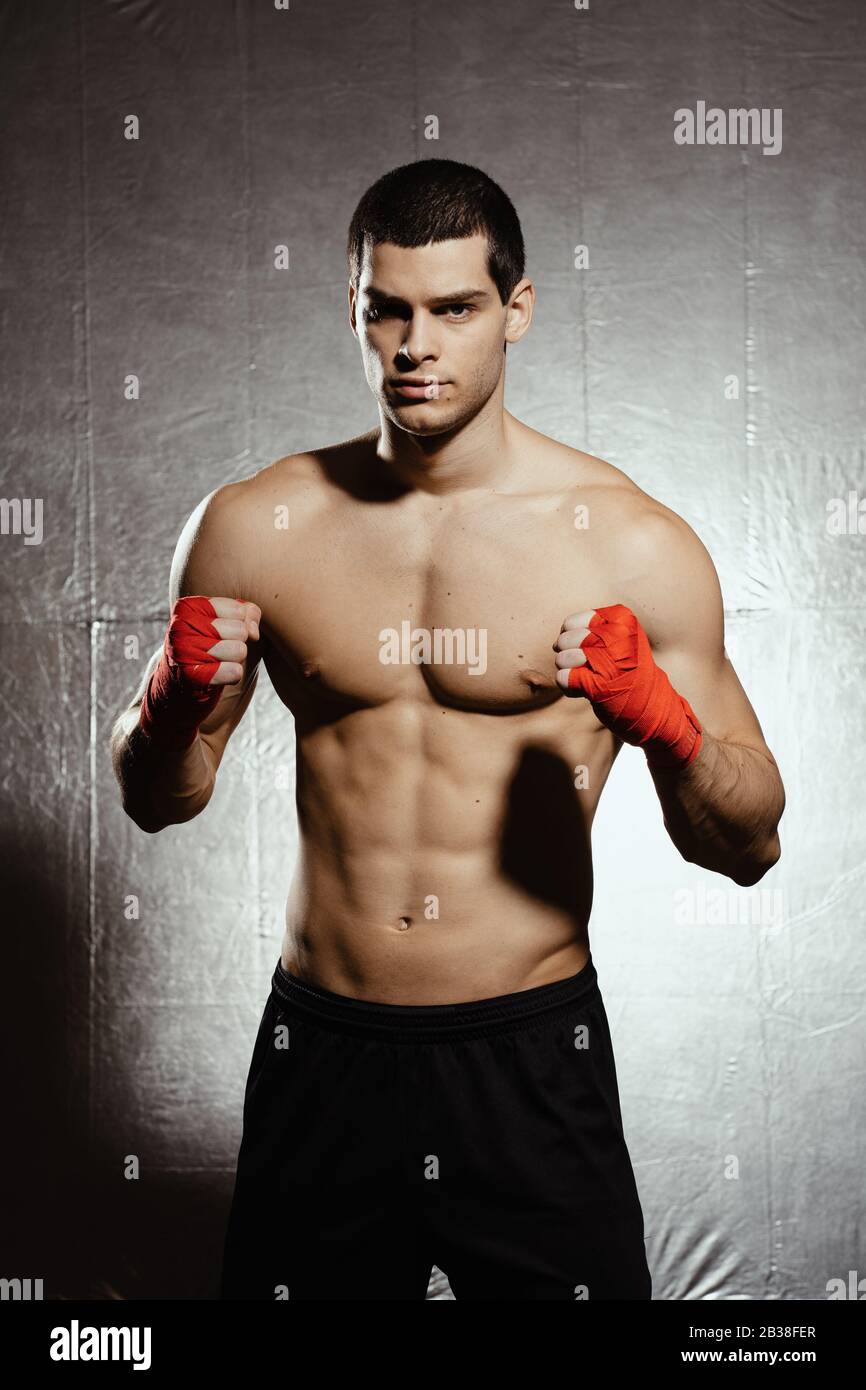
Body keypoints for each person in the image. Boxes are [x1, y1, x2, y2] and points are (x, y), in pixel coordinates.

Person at [110, 158, 785, 1300]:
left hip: (530, 1055)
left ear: (514, 312)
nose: (415, 346)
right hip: (321, 1050)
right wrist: (163, 711)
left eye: (455, 309)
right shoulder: (254, 525)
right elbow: (157, 797)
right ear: (356, 312)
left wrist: (664, 726)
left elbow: (749, 842)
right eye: (388, 310)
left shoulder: (628, 541)